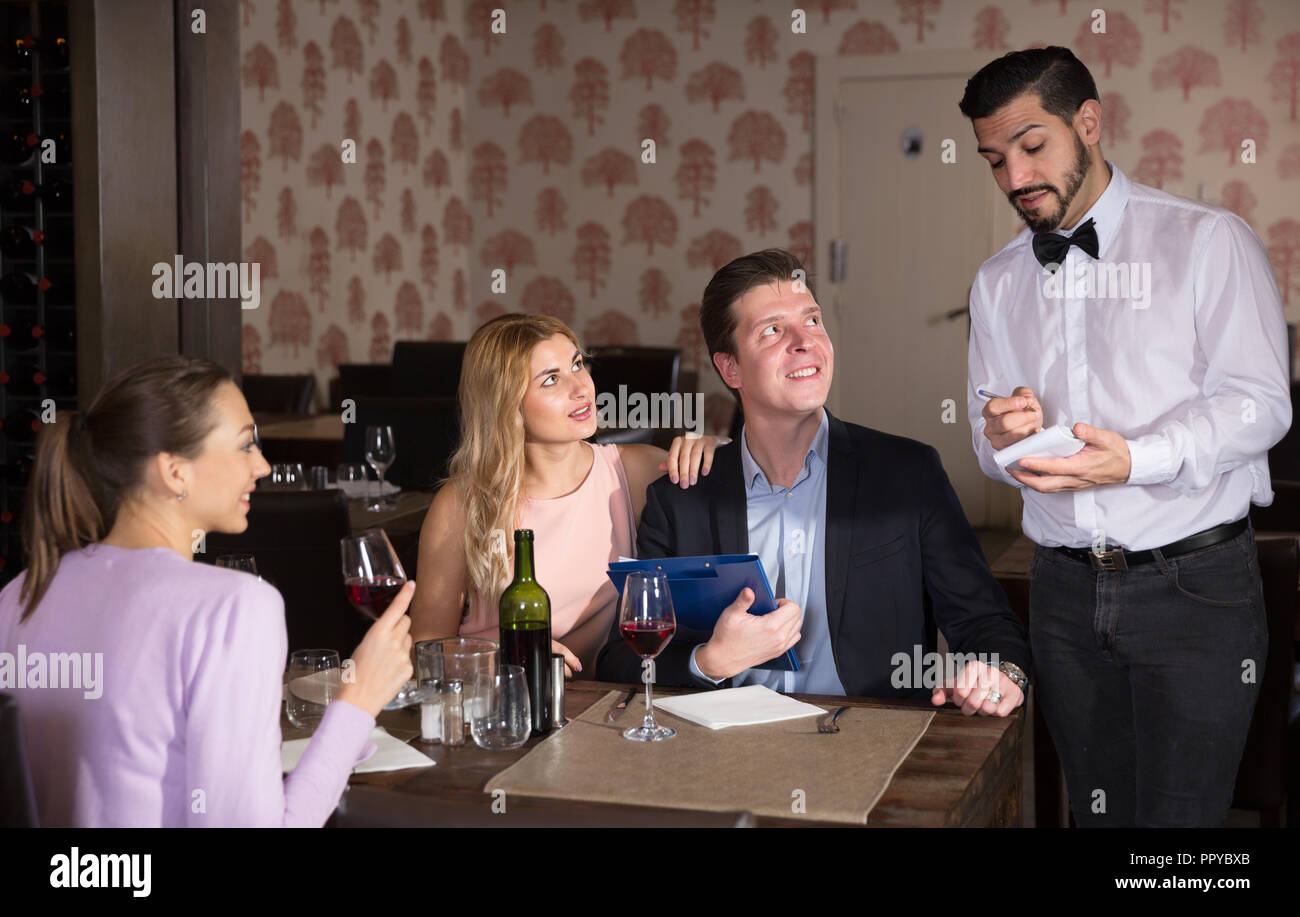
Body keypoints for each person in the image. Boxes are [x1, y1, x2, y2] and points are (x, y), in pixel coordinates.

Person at [960, 47, 1290, 826]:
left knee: (1181, 835)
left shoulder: (1209, 242)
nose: (1013, 177)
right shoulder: (998, 281)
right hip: (1064, 594)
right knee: (1098, 813)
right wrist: (1000, 434)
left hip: (1195, 588)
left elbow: (1261, 405)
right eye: (994, 159)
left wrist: (1137, 459)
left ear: (1090, 122)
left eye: (1032, 146)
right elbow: (989, 450)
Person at [596, 249, 1031, 716]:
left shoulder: (906, 474)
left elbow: (985, 621)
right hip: (722, 754)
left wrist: (1001, 671)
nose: (805, 342)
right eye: (772, 331)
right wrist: (710, 661)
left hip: (870, 740)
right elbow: (622, 659)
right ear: (730, 369)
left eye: (813, 321)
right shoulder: (680, 497)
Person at [0, 356, 414, 827]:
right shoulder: (235, 608)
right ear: (175, 471)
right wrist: (357, 701)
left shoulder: (18, 595)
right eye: (244, 446)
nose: (262, 465)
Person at [410, 313, 721, 677]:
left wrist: (711, 447)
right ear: (506, 404)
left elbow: (744, 486)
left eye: (577, 364)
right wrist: (502, 657)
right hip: (505, 708)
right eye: (551, 380)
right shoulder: (461, 503)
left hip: (605, 707)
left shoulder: (632, 473)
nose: (581, 388)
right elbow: (425, 651)